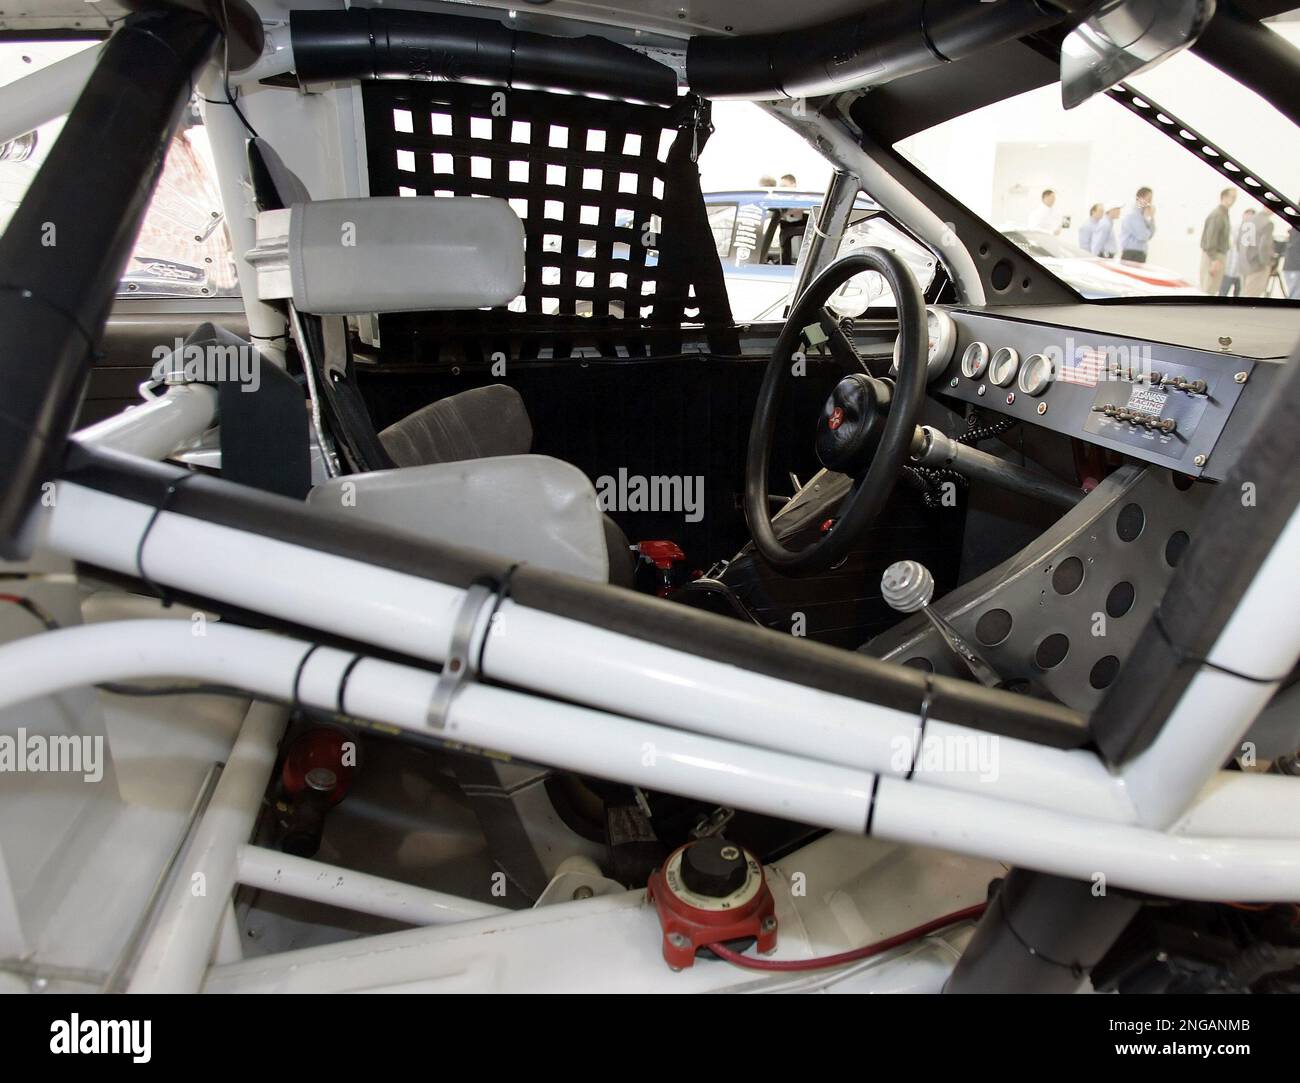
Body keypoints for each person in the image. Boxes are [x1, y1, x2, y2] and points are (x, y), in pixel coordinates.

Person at [1199, 188, 1236, 295]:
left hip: (1218, 256)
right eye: (1232, 197)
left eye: (1235, 197)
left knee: (1213, 288)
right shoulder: (1218, 215)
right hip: (1214, 256)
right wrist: (1214, 260)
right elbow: (1211, 238)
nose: (1234, 200)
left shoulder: (1224, 214)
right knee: (1209, 288)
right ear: (1224, 197)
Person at [1219, 209, 1254, 297]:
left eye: (1251, 216)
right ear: (1243, 215)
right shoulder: (1235, 228)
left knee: (1238, 296)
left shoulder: (1253, 233)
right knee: (1222, 293)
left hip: (1242, 271)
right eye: (1247, 214)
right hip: (1229, 268)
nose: (1248, 217)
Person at [1242, 212, 1275, 297]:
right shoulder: (1267, 223)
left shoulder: (1251, 220)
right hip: (1259, 264)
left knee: (1247, 293)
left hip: (1247, 262)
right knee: (1254, 295)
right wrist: (1267, 263)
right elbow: (1264, 246)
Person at [1119, 187, 1155, 262]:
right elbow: (1143, 236)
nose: (1150, 202)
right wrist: (1147, 232)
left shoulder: (1142, 215)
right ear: (1140, 198)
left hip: (1139, 253)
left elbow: (1151, 235)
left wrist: (1152, 218)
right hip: (1132, 254)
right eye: (1149, 198)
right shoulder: (1134, 215)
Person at [777, 173, 806, 264]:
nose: (782, 190)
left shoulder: (802, 200)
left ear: (794, 185)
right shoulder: (781, 202)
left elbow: (798, 211)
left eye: (784, 186)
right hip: (787, 251)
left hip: (800, 251)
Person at [1283, 227, 1300, 300]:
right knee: (1296, 294)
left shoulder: (1292, 233)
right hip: (1296, 267)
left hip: (1288, 267)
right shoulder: (1296, 235)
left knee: (1294, 292)